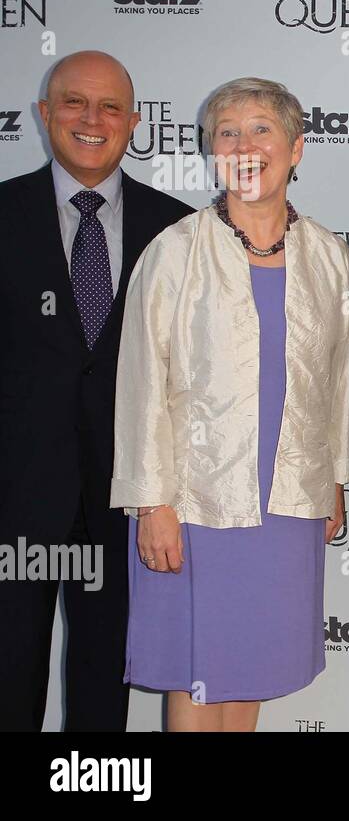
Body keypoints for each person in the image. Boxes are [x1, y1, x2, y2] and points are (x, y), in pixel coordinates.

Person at [111, 77, 349, 732]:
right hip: (192, 502)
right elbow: (141, 381)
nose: (244, 144)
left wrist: (335, 478)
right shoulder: (174, 253)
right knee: (199, 669)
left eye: (261, 129)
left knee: (251, 664)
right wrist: (151, 501)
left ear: (296, 149)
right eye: (228, 131)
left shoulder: (333, 261)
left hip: (287, 500)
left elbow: (339, 383)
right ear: (212, 151)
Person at [0, 51, 192, 731]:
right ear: (45, 113)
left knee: (101, 699)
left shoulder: (178, 230)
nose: (92, 119)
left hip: (123, 507)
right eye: (74, 102)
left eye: (110, 106)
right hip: (14, 505)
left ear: (134, 122)